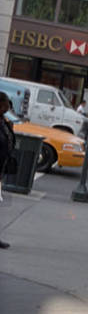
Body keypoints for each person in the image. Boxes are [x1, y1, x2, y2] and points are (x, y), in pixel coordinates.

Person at [0, 93, 17, 247]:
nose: (7, 108)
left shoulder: (3, 121)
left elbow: (9, 142)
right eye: (5, 105)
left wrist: (10, 129)